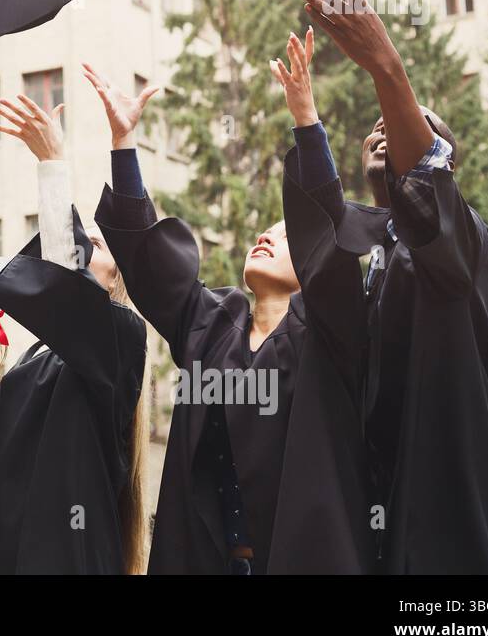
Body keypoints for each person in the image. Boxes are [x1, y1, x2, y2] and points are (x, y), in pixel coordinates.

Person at [288, 0, 488, 573]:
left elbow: (428, 192)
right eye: (377, 125)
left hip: (463, 541)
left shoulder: (467, 250)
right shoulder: (365, 264)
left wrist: (386, 69)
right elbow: (323, 245)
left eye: (399, 128)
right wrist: (305, 121)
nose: (381, 128)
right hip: (381, 531)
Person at [85, 62, 372, 574]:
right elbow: (151, 263)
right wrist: (124, 144)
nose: (266, 237)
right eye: (263, 231)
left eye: (284, 237)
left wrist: (306, 119)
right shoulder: (213, 326)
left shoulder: (330, 334)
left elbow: (326, 238)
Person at [0, 93, 148, 574]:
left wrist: (52, 165)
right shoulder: (32, 358)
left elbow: (68, 289)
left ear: (117, 274)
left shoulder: (121, 338)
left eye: (95, 244)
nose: (83, 248)